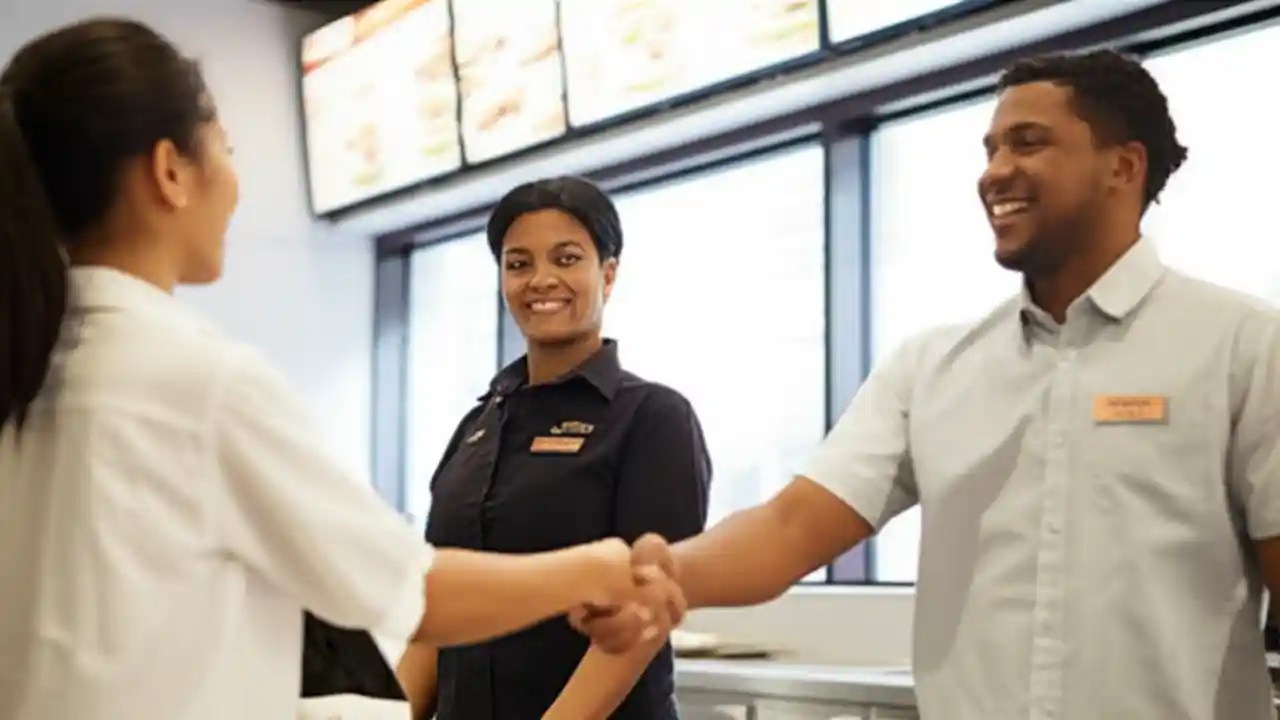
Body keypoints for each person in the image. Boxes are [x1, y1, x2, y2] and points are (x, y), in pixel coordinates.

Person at [0, 19, 683, 720]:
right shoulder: (197, 383)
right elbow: (412, 593)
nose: (234, 184)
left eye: (567, 259)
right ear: (170, 171)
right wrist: (597, 569)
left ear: (609, 272)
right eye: (226, 149)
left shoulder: (32, 368)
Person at [577, 49, 1280, 720]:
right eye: (990, 150)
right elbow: (790, 528)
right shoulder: (934, 367)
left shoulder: (1244, 345)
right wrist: (656, 576)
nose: (995, 173)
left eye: (1028, 143)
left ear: (1123, 166)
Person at [395, 176, 712, 720]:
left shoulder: (653, 417)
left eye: (566, 259)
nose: (541, 279)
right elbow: (438, 618)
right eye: (519, 264)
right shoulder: (477, 426)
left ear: (607, 275)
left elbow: (645, 614)